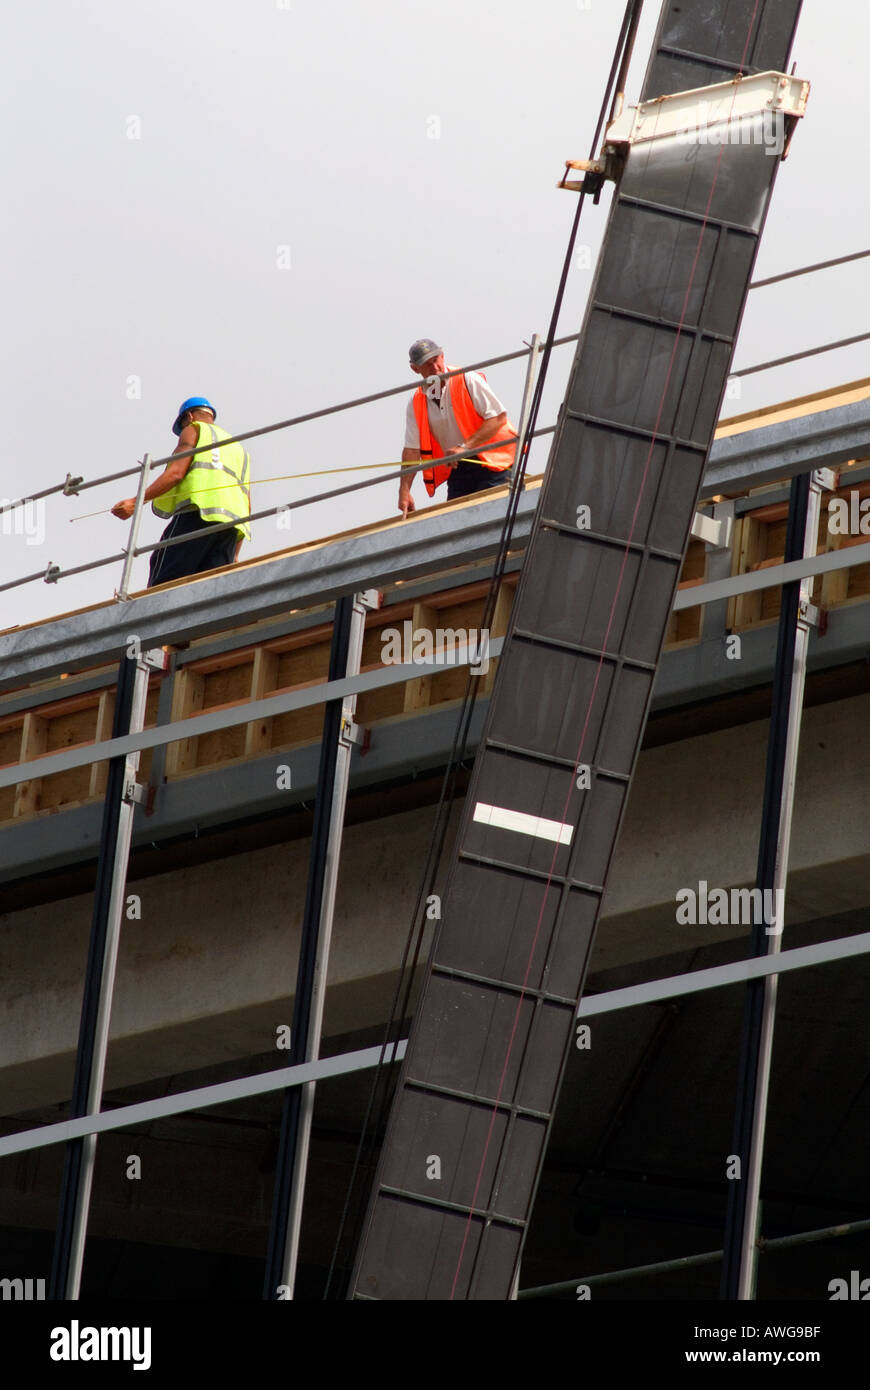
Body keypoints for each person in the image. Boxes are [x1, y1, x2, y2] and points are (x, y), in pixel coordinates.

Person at [112, 396, 251, 587]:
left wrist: (135, 502)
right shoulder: (238, 448)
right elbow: (246, 503)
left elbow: (175, 473)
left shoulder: (194, 429)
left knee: (165, 575)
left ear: (190, 416)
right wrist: (235, 553)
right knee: (211, 586)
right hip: (229, 528)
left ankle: (156, 616)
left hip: (198, 513)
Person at [398, 340, 518, 518]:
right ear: (415, 369)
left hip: (494, 461)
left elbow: (498, 417)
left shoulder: (466, 378)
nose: (435, 366)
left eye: (436, 359)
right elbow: (412, 450)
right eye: (427, 363)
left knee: (492, 517)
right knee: (456, 521)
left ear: (442, 356)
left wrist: (464, 447)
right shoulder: (416, 402)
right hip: (458, 466)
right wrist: (404, 490)